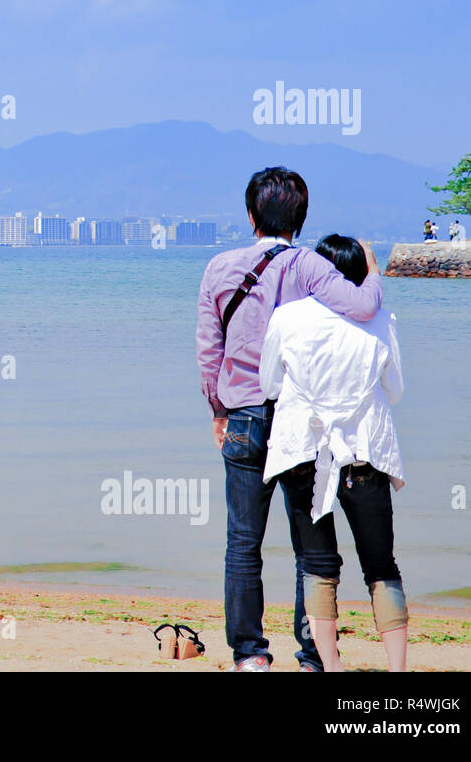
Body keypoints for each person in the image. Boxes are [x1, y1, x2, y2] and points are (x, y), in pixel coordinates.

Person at [196, 166, 383, 672]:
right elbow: (364, 308)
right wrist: (371, 265)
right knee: (312, 546)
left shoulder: (219, 268)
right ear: (300, 218)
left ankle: (250, 657)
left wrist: (218, 411)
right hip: (299, 421)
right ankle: (312, 657)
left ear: (251, 215)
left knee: (242, 541)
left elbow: (208, 352)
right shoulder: (309, 267)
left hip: (242, 416)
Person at [259, 235, 406, 672]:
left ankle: (331, 668)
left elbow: (269, 385)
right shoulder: (380, 319)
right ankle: (397, 670)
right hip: (364, 454)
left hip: (304, 452)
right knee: (381, 566)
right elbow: (395, 391)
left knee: (319, 566)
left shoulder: (286, 318)